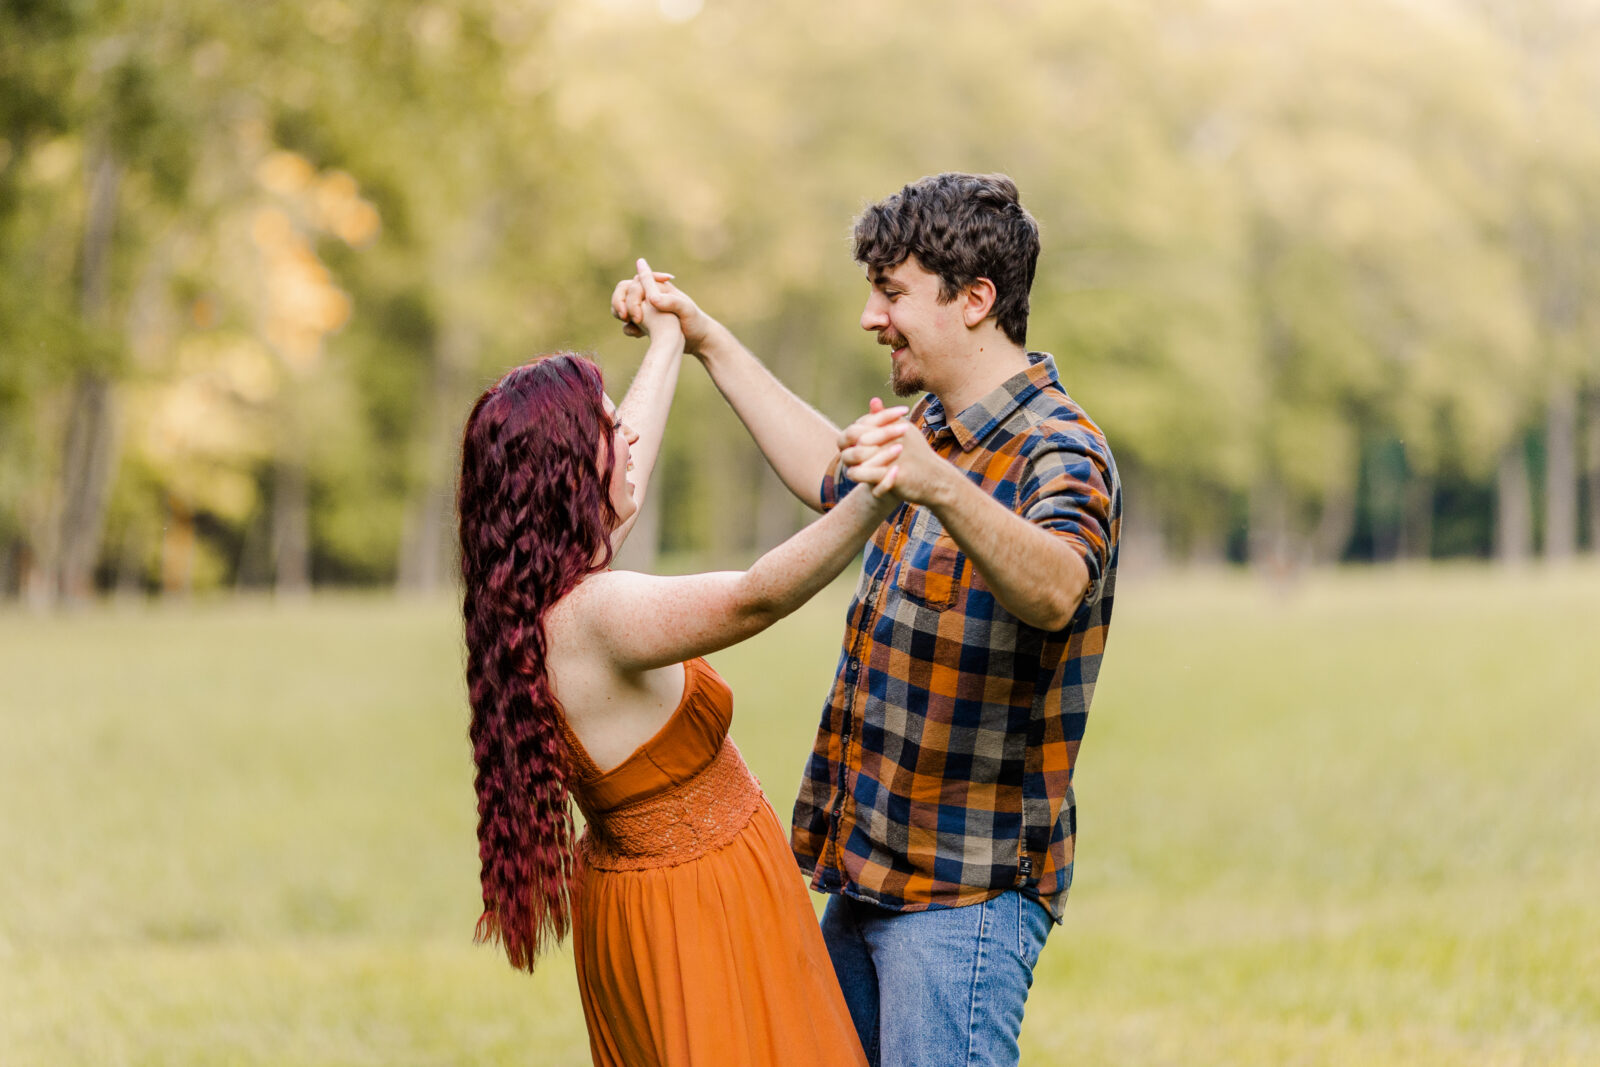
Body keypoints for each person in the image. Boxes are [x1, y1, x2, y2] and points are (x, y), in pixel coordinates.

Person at [612, 173, 1121, 1066]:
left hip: (962, 903)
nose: (870, 316)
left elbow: (1057, 586)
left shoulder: (1060, 447)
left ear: (974, 300)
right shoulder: (933, 429)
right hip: (867, 883)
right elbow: (825, 470)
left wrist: (938, 484)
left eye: (891, 292)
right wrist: (702, 337)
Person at [457, 262, 911, 1066]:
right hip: (700, 908)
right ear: (570, 475)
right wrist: (871, 497)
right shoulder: (601, 614)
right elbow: (753, 598)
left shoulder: (538, 598)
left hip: (649, 902)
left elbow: (626, 459)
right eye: (606, 429)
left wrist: (670, 338)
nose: (626, 435)